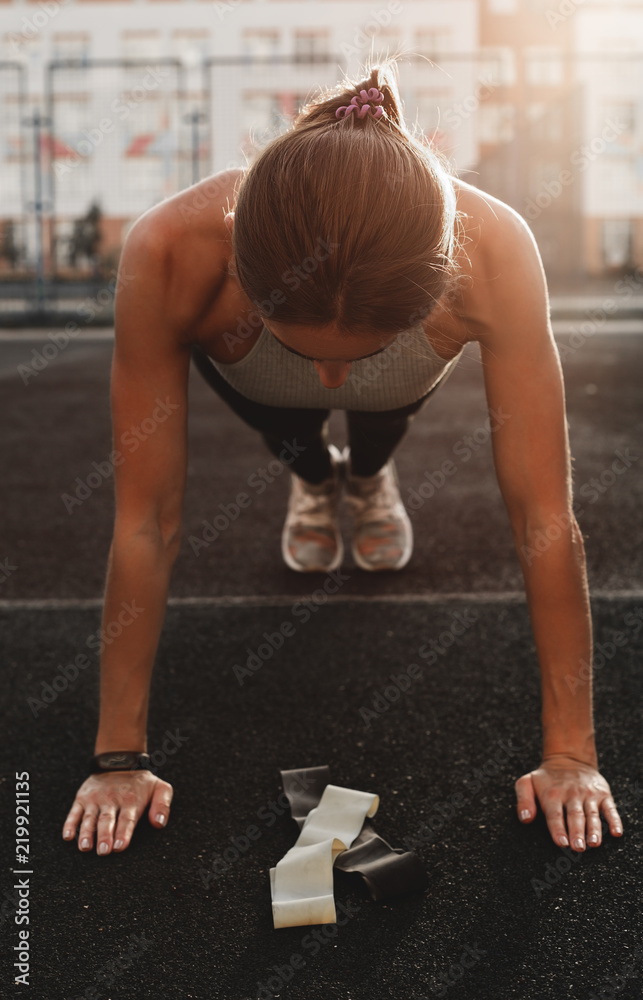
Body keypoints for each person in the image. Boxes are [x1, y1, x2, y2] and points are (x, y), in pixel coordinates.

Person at [62, 59, 624, 860]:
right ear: (244, 276)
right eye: (312, 354)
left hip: (403, 380)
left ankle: (365, 474)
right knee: (293, 420)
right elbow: (147, 519)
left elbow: (543, 515)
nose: (332, 379)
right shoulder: (170, 248)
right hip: (252, 375)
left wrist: (571, 755)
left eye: (353, 355)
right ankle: (316, 478)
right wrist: (118, 760)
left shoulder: (491, 246)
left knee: (375, 415)